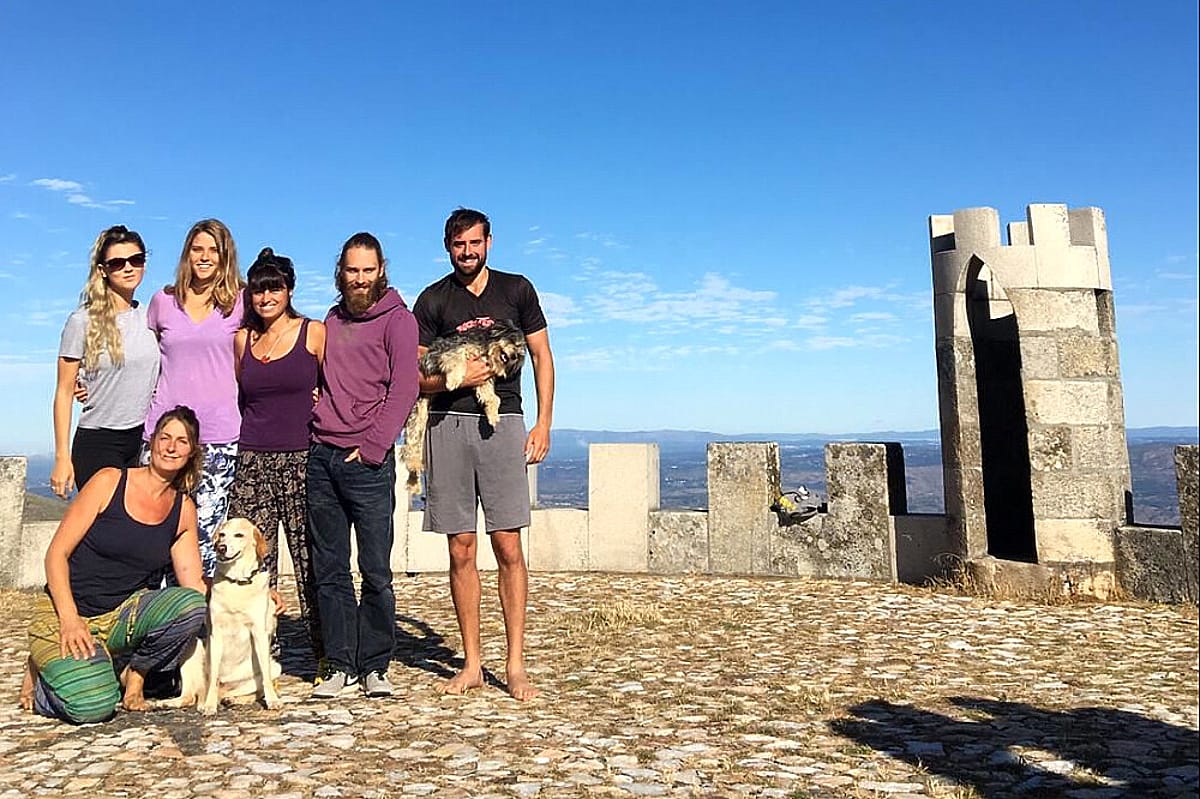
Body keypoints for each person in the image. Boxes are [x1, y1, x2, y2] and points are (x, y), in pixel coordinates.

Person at [413, 208, 555, 701]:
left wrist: (543, 422)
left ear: (489, 242)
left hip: (504, 424)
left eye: (475, 243)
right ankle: (472, 663)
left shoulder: (517, 290)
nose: (467, 253)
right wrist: (463, 376)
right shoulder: (432, 300)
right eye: (458, 245)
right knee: (461, 549)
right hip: (447, 426)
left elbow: (542, 355)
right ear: (447, 247)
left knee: (508, 545)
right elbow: (416, 376)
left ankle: (515, 665)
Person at [20, 406, 208, 723]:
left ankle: (134, 675)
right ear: (152, 442)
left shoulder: (183, 509)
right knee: (93, 706)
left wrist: (252, 588)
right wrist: (69, 619)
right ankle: (42, 678)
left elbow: (195, 585)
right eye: (165, 438)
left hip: (123, 615)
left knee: (191, 605)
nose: (171, 447)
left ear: (191, 453)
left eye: (181, 441)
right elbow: (56, 554)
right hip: (66, 610)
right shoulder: (109, 481)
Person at [307, 232, 418, 700]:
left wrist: (373, 447)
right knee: (329, 570)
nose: (359, 279)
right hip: (322, 456)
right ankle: (339, 663)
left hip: (367, 462)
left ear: (381, 271)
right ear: (341, 273)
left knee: (375, 570)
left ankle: (375, 665)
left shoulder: (399, 320)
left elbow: (405, 387)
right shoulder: (330, 320)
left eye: (367, 270)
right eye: (352, 270)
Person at [228, 247, 326, 665]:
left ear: (289, 290)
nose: (266, 298)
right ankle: (256, 653)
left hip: (302, 457)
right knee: (251, 561)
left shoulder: (314, 333)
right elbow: (238, 396)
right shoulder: (242, 340)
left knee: (311, 558)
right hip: (252, 459)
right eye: (258, 291)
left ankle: (326, 652)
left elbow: (335, 386)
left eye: (275, 289)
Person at [144, 219, 244, 577]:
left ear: (225, 256)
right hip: (165, 434)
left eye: (212, 250)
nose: (204, 257)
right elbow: (139, 355)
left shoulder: (240, 302)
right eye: (197, 249)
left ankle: (191, 624)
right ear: (187, 253)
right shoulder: (163, 301)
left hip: (218, 435)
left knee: (202, 538)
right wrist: (87, 379)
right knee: (154, 530)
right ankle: (150, 623)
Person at [50, 225, 160, 498]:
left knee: (136, 532)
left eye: (136, 259)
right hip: (98, 440)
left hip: (143, 440)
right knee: (105, 529)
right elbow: (64, 391)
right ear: (102, 270)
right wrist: (62, 458)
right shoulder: (82, 321)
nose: (128, 268)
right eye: (117, 263)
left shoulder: (152, 318)